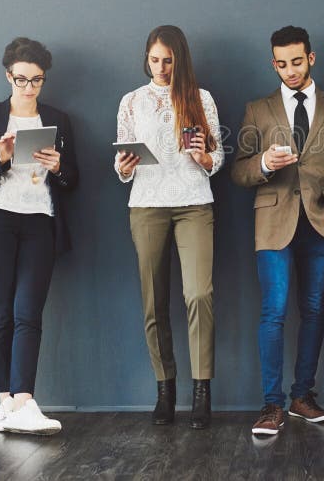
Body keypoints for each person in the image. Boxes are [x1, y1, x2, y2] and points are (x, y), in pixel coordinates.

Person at [231, 26, 324, 436]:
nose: (290, 70)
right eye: (282, 64)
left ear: (311, 59)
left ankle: (303, 396)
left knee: (314, 309)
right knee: (274, 310)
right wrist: (265, 164)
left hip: (320, 221)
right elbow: (238, 170)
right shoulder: (258, 109)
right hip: (273, 221)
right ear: (274, 63)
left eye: (297, 62)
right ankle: (272, 406)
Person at [0, 37, 79, 435]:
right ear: (7, 76)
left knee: (29, 312)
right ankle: (5, 404)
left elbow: (72, 179)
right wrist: (0, 160)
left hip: (39, 221)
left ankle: (24, 401)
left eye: (37, 80)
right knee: (2, 313)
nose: (29, 88)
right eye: (21, 80)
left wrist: (59, 165)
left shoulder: (58, 119)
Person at [115, 25, 224, 428]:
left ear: (180, 59)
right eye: (154, 60)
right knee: (153, 300)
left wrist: (205, 157)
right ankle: (165, 389)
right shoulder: (131, 101)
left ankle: (202, 391)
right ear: (146, 58)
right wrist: (123, 168)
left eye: (168, 60)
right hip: (146, 204)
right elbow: (122, 157)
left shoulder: (201, 99)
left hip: (194, 203)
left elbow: (219, 157)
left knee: (199, 294)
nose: (160, 68)